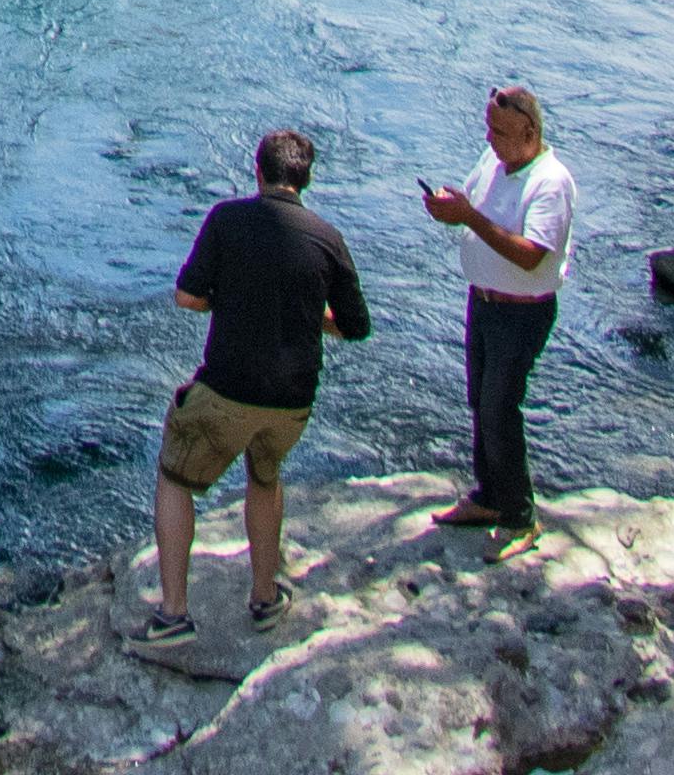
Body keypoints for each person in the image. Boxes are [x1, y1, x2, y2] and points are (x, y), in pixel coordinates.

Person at [150, 127, 366, 640]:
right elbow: (356, 327)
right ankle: (265, 597)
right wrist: (310, 315)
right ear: (305, 178)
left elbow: (186, 296)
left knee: (175, 480)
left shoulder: (228, 218)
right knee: (265, 478)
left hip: (229, 390)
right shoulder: (328, 238)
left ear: (258, 171)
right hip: (292, 403)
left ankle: (174, 614)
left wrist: (230, 300)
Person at [416, 87, 578, 537]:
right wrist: (451, 205)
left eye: (500, 131)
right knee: (479, 402)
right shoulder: (493, 161)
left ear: (529, 131)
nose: (490, 139)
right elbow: (471, 203)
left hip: (522, 314)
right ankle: (489, 496)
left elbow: (531, 256)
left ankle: (521, 515)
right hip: (484, 301)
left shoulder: (551, 181)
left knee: (499, 408)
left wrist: (468, 218)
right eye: (488, 127)